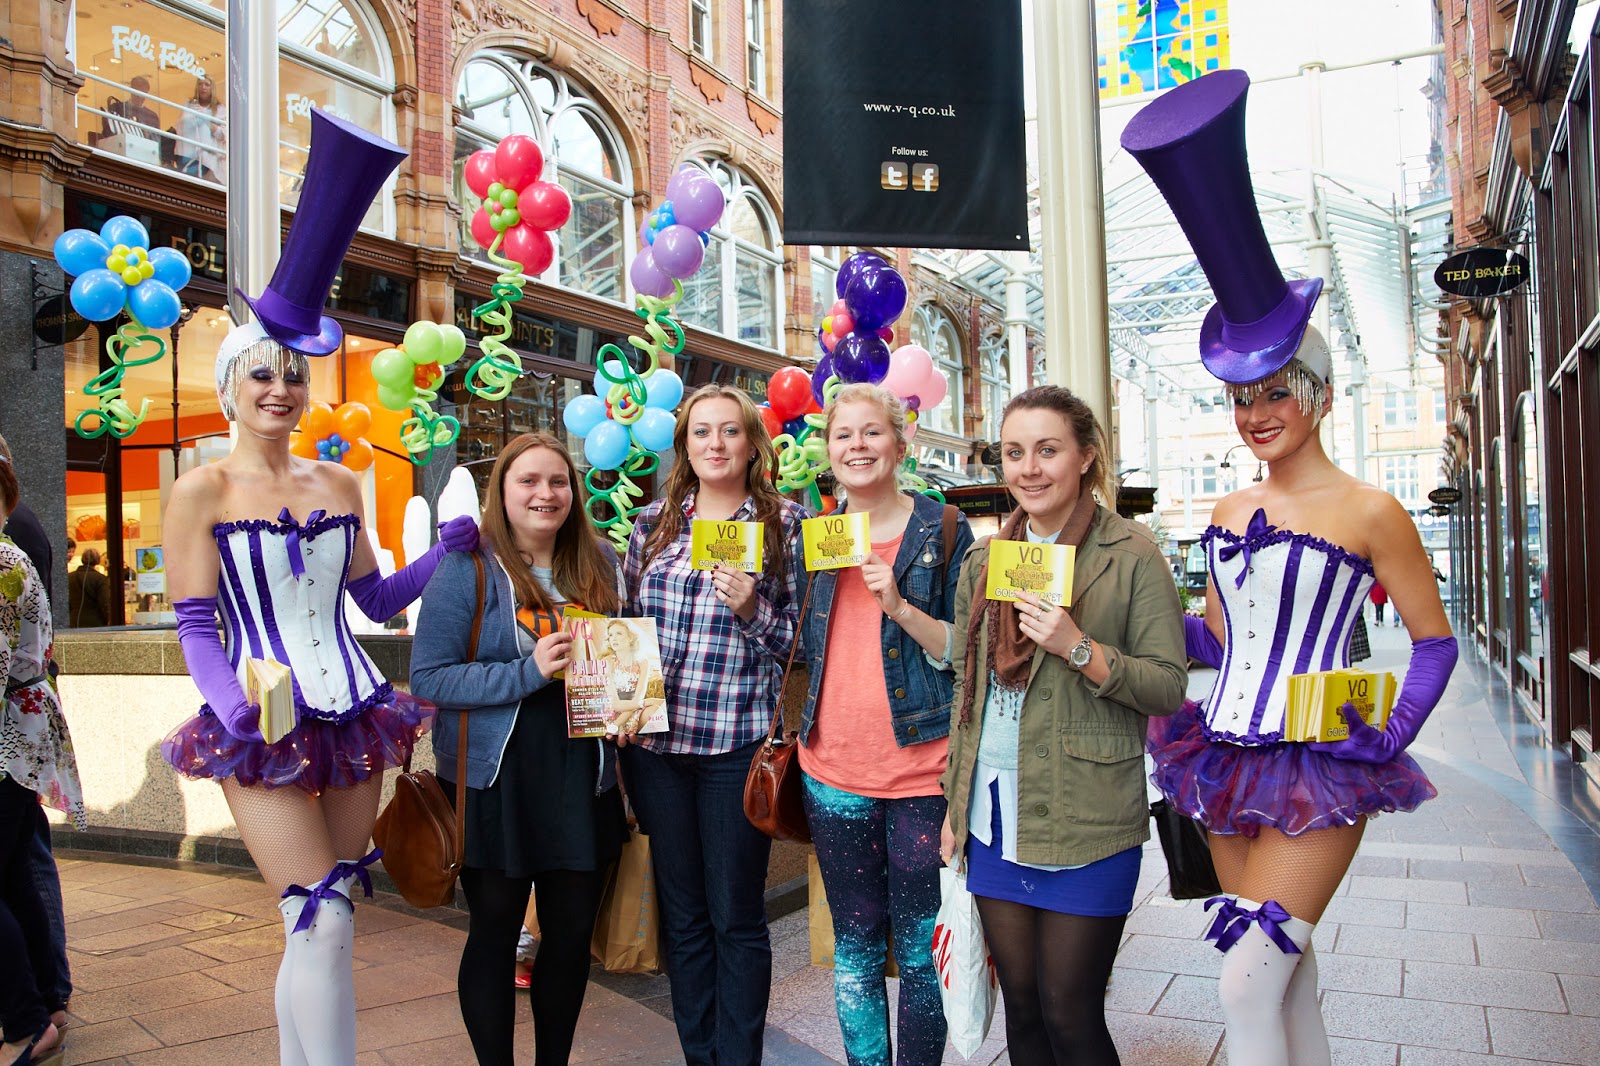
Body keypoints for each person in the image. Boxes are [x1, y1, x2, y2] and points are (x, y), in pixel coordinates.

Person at [1126, 69, 1457, 1066]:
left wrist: (1382, 733)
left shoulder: (1370, 508)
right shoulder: (1227, 509)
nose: (1255, 411)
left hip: (1320, 763)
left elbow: (1435, 644)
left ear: (1316, 394)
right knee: (1280, 971)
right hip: (1222, 751)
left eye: (1275, 391)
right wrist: (1134, 633)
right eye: (1240, 397)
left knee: (1244, 977)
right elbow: (1220, 635)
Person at [158, 111, 462, 1066]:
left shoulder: (339, 481)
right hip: (258, 723)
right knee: (319, 920)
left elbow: (372, 605)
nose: (279, 388)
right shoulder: (198, 489)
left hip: (348, 711)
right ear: (230, 382)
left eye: (292, 374)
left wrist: (448, 549)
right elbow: (199, 625)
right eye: (261, 373)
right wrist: (229, 707)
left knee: (324, 925)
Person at [938, 385, 1186, 1065]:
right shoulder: (987, 559)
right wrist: (955, 804)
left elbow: (1167, 686)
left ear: (1084, 456)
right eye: (1015, 453)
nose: (1030, 468)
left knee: (1070, 1012)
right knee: (1023, 1009)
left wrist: (1079, 647)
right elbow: (970, 689)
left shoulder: (1131, 554)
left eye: (1048, 450)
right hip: (992, 818)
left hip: (1088, 818)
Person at [410, 432, 631, 1066]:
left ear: (574, 492)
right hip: (494, 782)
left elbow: (622, 661)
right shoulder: (467, 566)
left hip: (582, 778)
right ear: (500, 493)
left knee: (566, 940)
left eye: (557, 481)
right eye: (528, 481)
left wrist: (627, 708)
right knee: (495, 934)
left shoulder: (602, 563)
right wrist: (526, 672)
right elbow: (429, 677)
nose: (544, 493)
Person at [619, 383, 807, 1066]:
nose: (716, 444)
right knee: (687, 917)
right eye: (702, 433)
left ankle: (739, 1058)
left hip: (737, 746)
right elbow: (626, 626)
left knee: (736, 916)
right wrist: (619, 707)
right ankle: (702, 1054)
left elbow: (803, 643)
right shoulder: (655, 522)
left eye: (730, 432)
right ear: (685, 445)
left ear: (752, 443)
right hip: (657, 747)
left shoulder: (786, 523)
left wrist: (753, 604)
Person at [797, 383, 974, 1066]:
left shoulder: (944, 529)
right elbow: (792, 634)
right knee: (856, 945)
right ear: (830, 450)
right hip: (832, 770)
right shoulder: (814, 532)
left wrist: (897, 604)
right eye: (845, 436)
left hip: (922, 773)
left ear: (900, 444)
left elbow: (965, 648)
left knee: (922, 947)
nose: (858, 446)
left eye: (872, 433)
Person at [0, 452, 83, 1066]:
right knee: (14, 875)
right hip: (16, 738)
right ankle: (44, 1005)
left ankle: (27, 1021)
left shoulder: (3, 563)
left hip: (9, 739)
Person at [175, 75, 226, 182]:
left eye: (207, 84)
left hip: (207, 159)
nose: (203, 87)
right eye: (200, 84)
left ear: (212, 88)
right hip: (187, 154)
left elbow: (222, 135)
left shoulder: (220, 109)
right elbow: (180, 127)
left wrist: (205, 119)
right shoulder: (189, 104)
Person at [67, 549, 111, 629]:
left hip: (74, 621)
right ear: (97, 560)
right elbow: (104, 602)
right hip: (95, 622)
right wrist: (108, 620)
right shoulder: (100, 579)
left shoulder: (69, 577)